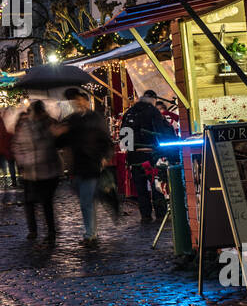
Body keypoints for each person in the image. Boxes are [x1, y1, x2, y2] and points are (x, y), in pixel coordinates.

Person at [54, 88, 113, 248]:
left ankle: (90, 234)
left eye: (80, 100)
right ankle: (91, 230)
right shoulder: (72, 120)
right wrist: (58, 134)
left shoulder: (95, 118)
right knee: (86, 200)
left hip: (91, 163)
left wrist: (105, 157)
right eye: (75, 101)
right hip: (77, 166)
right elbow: (62, 142)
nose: (78, 103)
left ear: (86, 101)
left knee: (86, 201)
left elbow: (106, 139)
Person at [121, 89, 177, 224]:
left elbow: (124, 140)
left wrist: (132, 151)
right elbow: (163, 132)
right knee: (156, 185)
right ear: (153, 100)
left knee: (140, 189)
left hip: (135, 157)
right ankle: (161, 215)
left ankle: (145, 215)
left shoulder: (129, 113)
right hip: (152, 156)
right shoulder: (153, 112)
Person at [11, 100, 60, 241]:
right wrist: (23, 162)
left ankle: (49, 231)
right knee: (32, 202)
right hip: (32, 171)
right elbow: (17, 146)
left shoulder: (49, 124)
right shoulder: (26, 126)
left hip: (46, 171)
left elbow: (57, 143)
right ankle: (36, 230)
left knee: (45, 203)